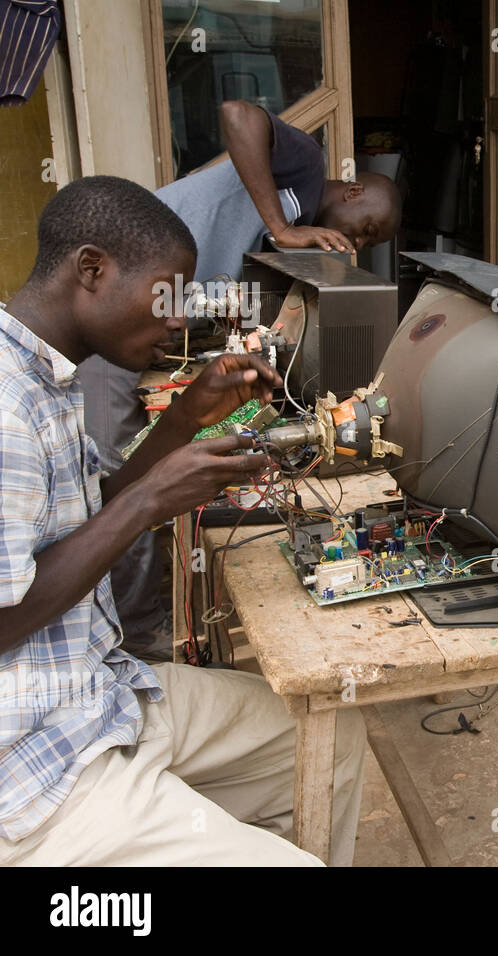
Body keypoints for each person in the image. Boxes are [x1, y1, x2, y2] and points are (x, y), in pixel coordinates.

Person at [0, 176, 366, 865]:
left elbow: (83, 519)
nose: (178, 320)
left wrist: (185, 419)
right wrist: (148, 502)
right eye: (165, 293)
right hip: (36, 767)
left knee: (327, 736)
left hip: (101, 694)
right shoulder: (5, 406)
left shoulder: (44, 374)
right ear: (90, 269)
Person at [80, 102, 402, 660]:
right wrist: (284, 225)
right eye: (367, 226)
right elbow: (235, 114)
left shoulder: (276, 222)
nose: (358, 241)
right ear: (351, 191)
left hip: (135, 316)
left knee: (130, 471)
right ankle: (135, 640)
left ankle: (132, 624)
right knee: (115, 479)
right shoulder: (303, 166)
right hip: (113, 315)